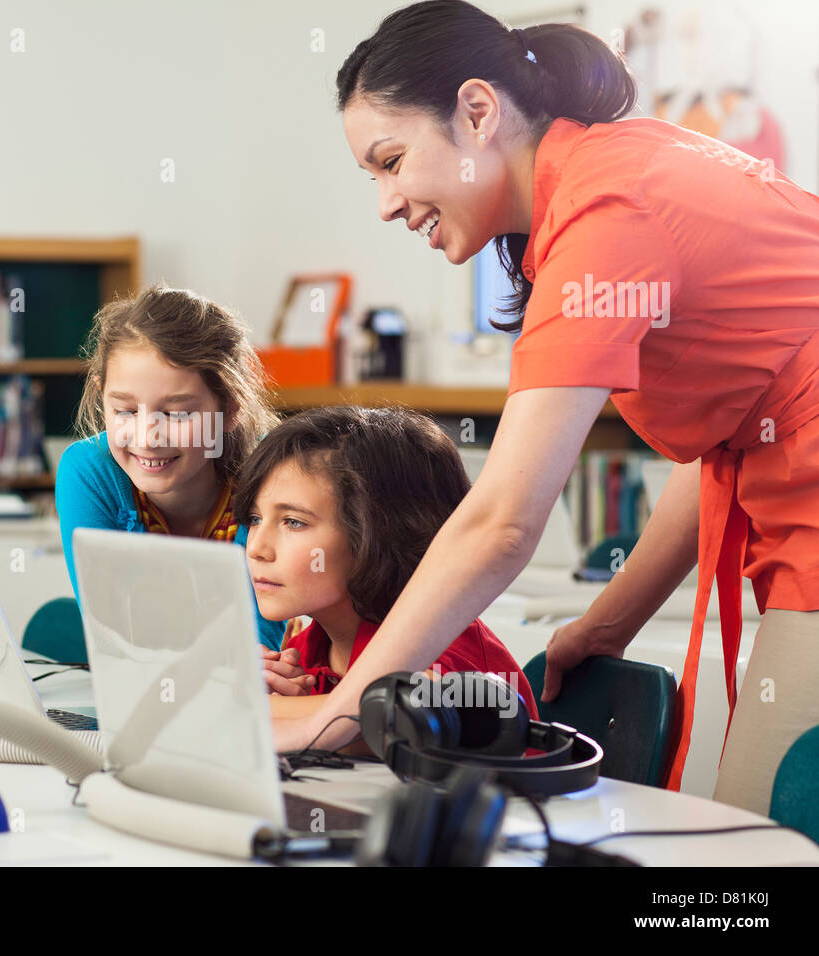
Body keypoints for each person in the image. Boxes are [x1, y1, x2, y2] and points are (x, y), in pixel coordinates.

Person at [272, 0, 819, 815]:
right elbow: (725, 450)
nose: (385, 202)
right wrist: (609, 624)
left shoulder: (608, 215)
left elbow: (502, 523)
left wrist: (338, 709)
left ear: (478, 112)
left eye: (391, 161)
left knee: (764, 840)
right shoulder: (606, 178)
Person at [234, 405, 539, 732]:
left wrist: (252, 704)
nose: (256, 548)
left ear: (379, 533)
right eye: (255, 519)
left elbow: (400, 719)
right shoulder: (304, 652)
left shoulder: (440, 636)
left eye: (293, 522)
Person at [55, 282, 287, 651]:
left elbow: (261, 641)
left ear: (230, 408)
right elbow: (114, 635)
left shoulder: (272, 474)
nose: (148, 438)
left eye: (177, 413)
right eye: (126, 411)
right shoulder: (89, 471)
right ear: (102, 396)